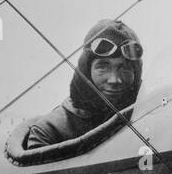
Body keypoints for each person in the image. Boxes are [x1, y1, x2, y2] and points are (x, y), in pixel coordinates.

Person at [24, 19, 143, 148]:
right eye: (103, 67)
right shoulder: (49, 132)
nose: (114, 79)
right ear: (85, 69)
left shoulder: (147, 113)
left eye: (124, 68)